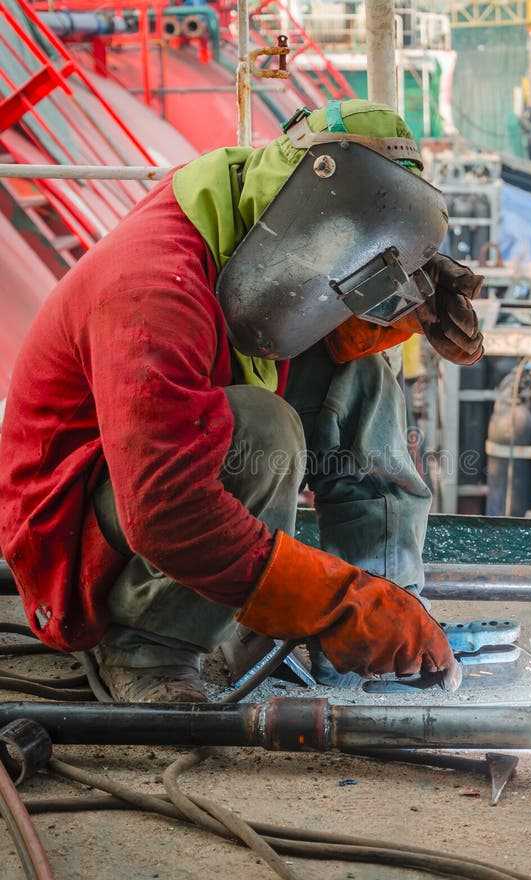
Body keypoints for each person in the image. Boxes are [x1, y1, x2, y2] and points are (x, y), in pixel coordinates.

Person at [0, 99, 483, 702]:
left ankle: (387, 617)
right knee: (262, 429)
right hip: (76, 536)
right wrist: (335, 605)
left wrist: (401, 295)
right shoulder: (149, 292)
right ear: (305, 207)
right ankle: (150, 646)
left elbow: (289, 309)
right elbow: (166, 510)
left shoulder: (246, 202)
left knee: (359, 376)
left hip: (143, 479)